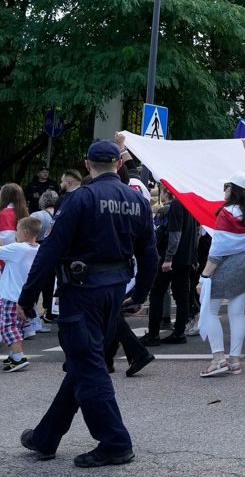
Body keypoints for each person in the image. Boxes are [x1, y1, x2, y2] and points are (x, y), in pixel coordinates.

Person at [17, 140, 157, 468]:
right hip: (114, 292)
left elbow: (51, 250)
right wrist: (139, 294)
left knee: (88, 366)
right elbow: (149, 252)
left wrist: (27, 297)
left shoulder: (81, 198)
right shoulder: (138, 201)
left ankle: (115, 442)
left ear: (87, 164)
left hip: (82, 294)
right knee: (84, 363)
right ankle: (45, 437)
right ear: (118, 165)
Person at [196, 139, 245, 378]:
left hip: (225, 268)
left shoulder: (227, 214)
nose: (224, 189)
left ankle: (219, 358)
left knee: (211, 311)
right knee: (237, 313)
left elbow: (217, 251)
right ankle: (235, 360)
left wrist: (204, 276)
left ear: (233, 190)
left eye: (227, 186)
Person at [142, 187, 201, 346]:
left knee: (156, 293)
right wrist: (194, 257)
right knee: (181, 295)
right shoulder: (189, 204)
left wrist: (168, 258)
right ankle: (179, 332)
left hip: (173, 258)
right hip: (186, 257)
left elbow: (175, 234)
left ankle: (153, 334)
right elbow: (196, 233)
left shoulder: (175, 205)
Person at [1, 217, 41, 372]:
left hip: (11, 296)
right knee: (18, 327)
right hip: (25, 297)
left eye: (16, 230)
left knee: (8, 327)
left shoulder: (18, 248)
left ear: (24, 232)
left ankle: (18, 357)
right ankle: (13, 355)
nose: (15, 234)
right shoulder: (37, 249)